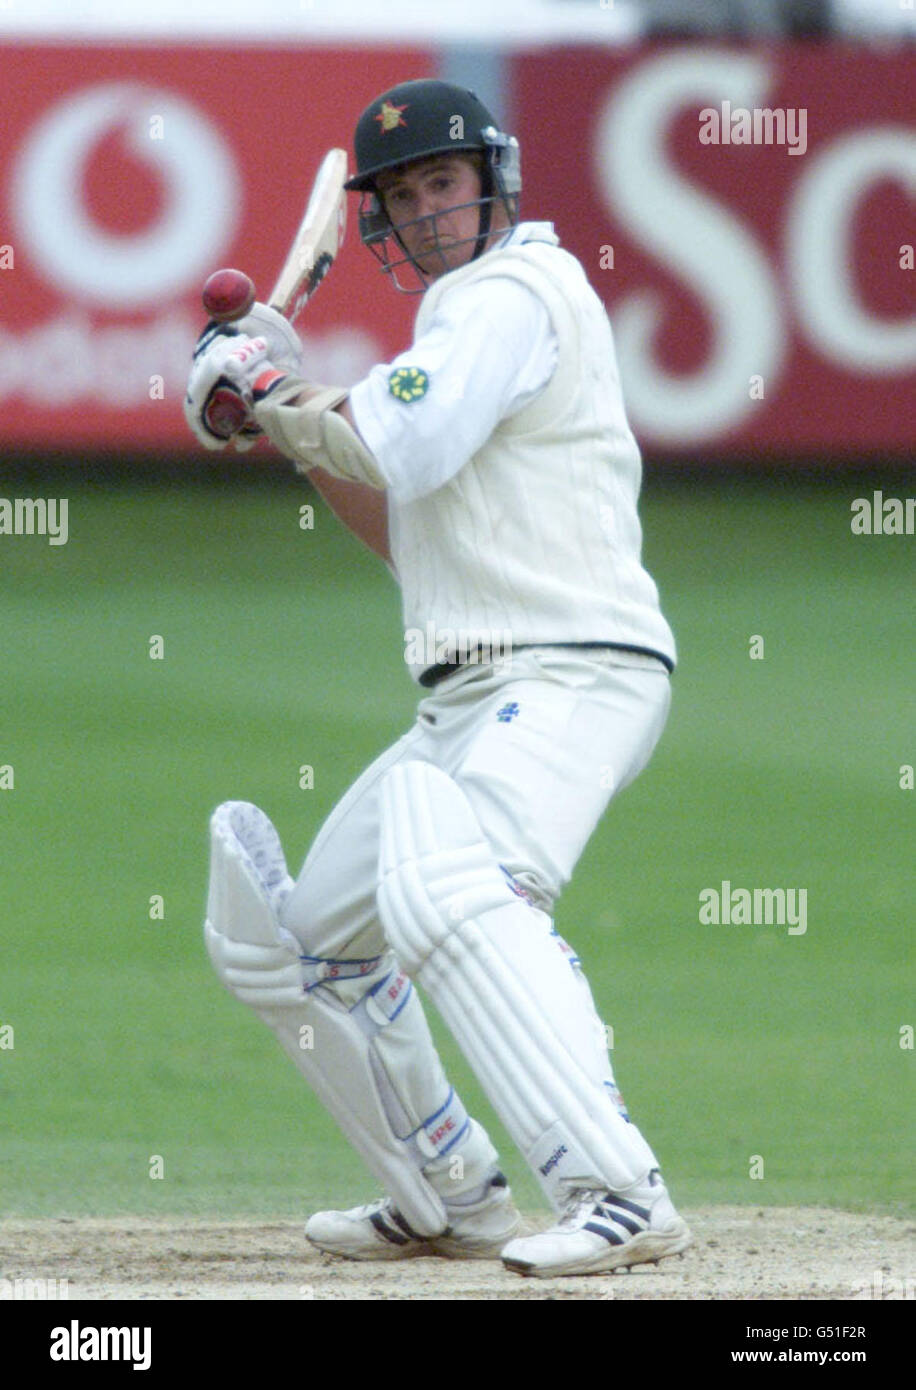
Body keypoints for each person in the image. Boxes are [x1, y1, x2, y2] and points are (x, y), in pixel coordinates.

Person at [184, 78, 690, 1278]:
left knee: (458, 887)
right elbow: (399, 517)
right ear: (382, 219)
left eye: (444, 184)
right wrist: (284, 419)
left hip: (572, 668)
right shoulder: (463, 331)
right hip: (468, 693)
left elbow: (385, 433)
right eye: (405, 196)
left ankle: (618, 1188)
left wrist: (264, 390)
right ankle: (448, 1187)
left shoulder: (510, 294)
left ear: (492, 183)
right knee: (298, 946)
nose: (428, 211)